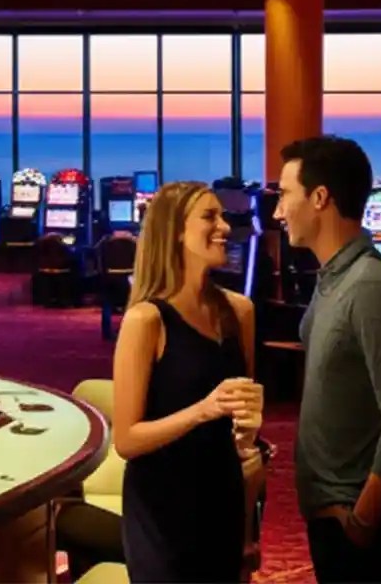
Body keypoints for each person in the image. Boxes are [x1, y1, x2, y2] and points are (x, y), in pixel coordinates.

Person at [274, 136, 381, 583]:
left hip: (359, 516)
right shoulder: (332, 279)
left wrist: (363, 518)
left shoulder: (368, 288)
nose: (278, 211)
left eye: (286, 195)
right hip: (332, 509)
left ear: (320, 198)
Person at [112, 180, 258, 582]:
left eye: (223, 216)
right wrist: (202, 411)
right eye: (209, 217)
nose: (224, 227)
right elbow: (127, 440)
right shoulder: (146, 320)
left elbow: (242, 429)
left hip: (222, 495)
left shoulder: (240, 312)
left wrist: (249, 437)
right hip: (162, 508)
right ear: (175, 231)